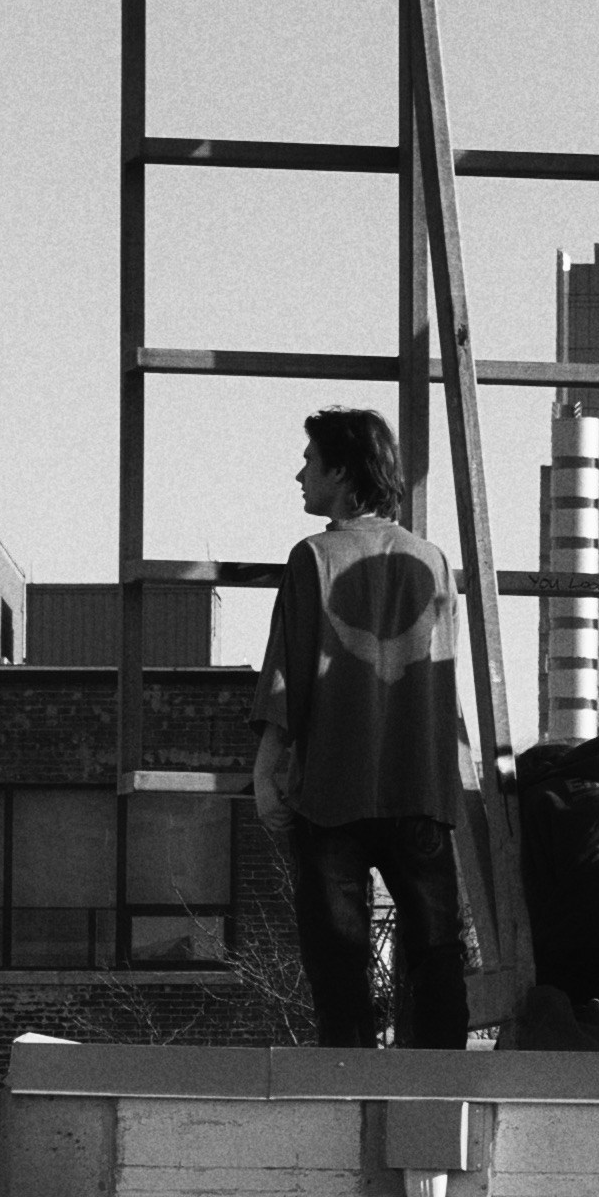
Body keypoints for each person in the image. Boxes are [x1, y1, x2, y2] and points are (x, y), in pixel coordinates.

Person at [253, 408, 471, 1047]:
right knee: (437, 954)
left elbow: (287, 675)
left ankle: (350, 1097)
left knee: (338, 963)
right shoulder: (432, 562)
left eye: (311, 461)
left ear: (342, 473)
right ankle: (438, 1096)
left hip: (334, 792)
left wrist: (267, 773)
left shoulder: (313, 559)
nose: (300, 475)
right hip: (421, 789)